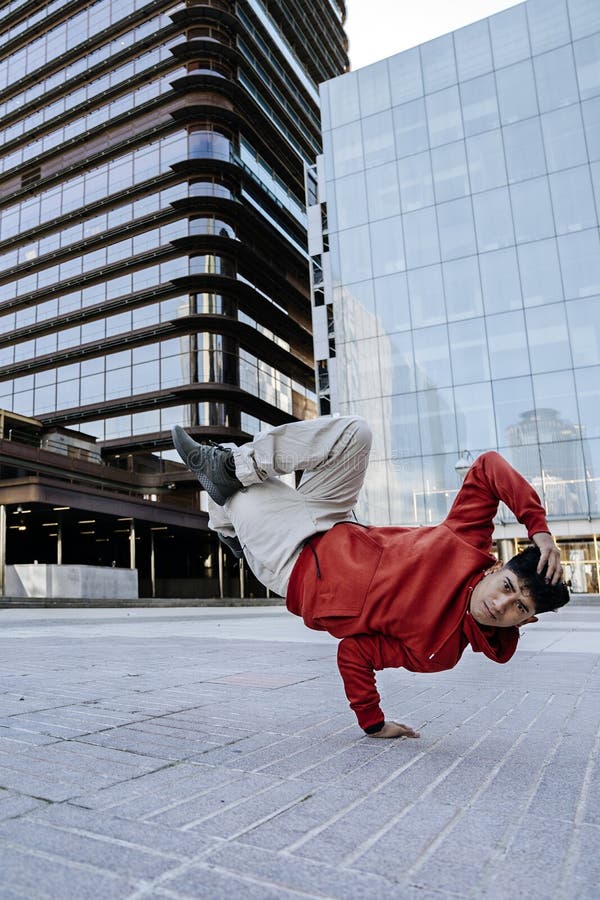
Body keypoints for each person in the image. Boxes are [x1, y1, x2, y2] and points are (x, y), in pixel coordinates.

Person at [172, 415, 569, 739]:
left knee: (232, 495)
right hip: (333, 522)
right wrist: (538, 527)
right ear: (497, 569)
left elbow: (355, 654)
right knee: (355, 433)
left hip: (293, 564)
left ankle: (231, 523)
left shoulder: (439, 652)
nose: (500, 605)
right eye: (507, 588)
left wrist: (373, 722)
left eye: (519, 607)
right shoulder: (467, 542)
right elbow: (488, 467)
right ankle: (230, 491)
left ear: (527, 621)